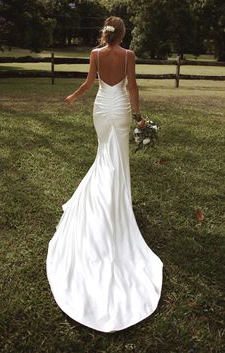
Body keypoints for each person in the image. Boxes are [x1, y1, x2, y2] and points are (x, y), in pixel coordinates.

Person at [46, 16, 163, 333]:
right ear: (123, 35)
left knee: (104, 153)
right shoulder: (128, 56)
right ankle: (116, 199)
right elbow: (133, 86)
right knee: (116, 155)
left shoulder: (96, 55)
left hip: (101, 108)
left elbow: (88, 84)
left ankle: (107, 197)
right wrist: (139, 117)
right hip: (121, 109)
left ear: (106, 33)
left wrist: (72, 96)